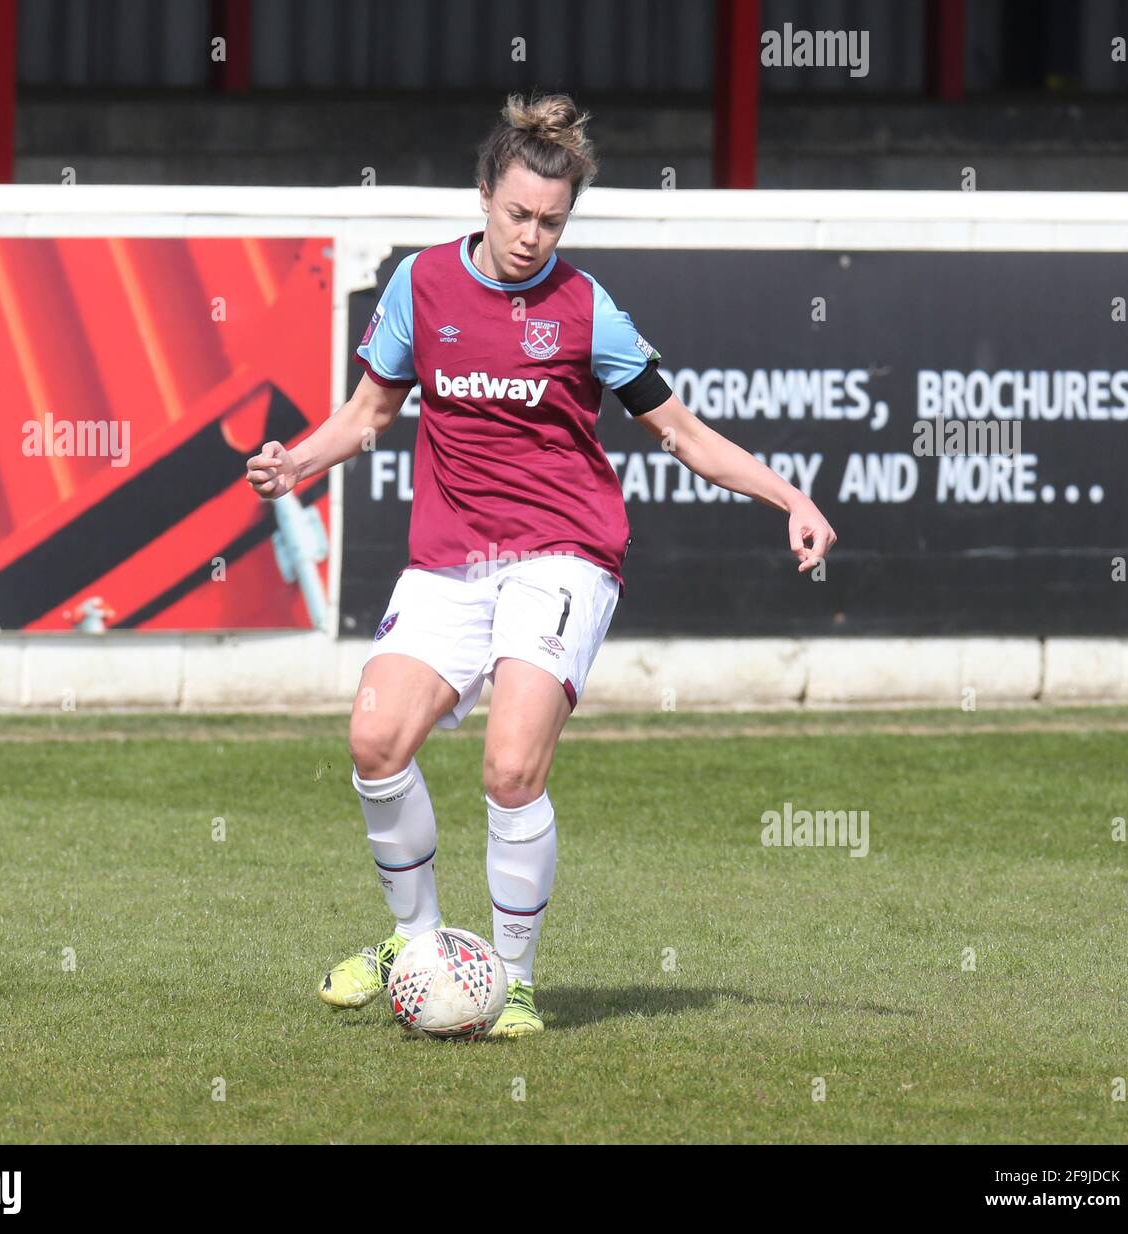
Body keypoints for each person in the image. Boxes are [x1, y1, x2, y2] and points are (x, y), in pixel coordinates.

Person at [246, 92, 837, 1037]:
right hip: (449, 557)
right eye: (518, 214)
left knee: (510, 768)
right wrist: (294, 464)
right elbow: (366, 416)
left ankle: (514, 981)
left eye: (551, 222)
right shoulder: (420, 286)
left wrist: (792, 498)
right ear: (484, 195)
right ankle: (421, 947)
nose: (531, 237)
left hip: (564, 554)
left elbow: (680, 433)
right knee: (374, 743)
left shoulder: (585, 308)